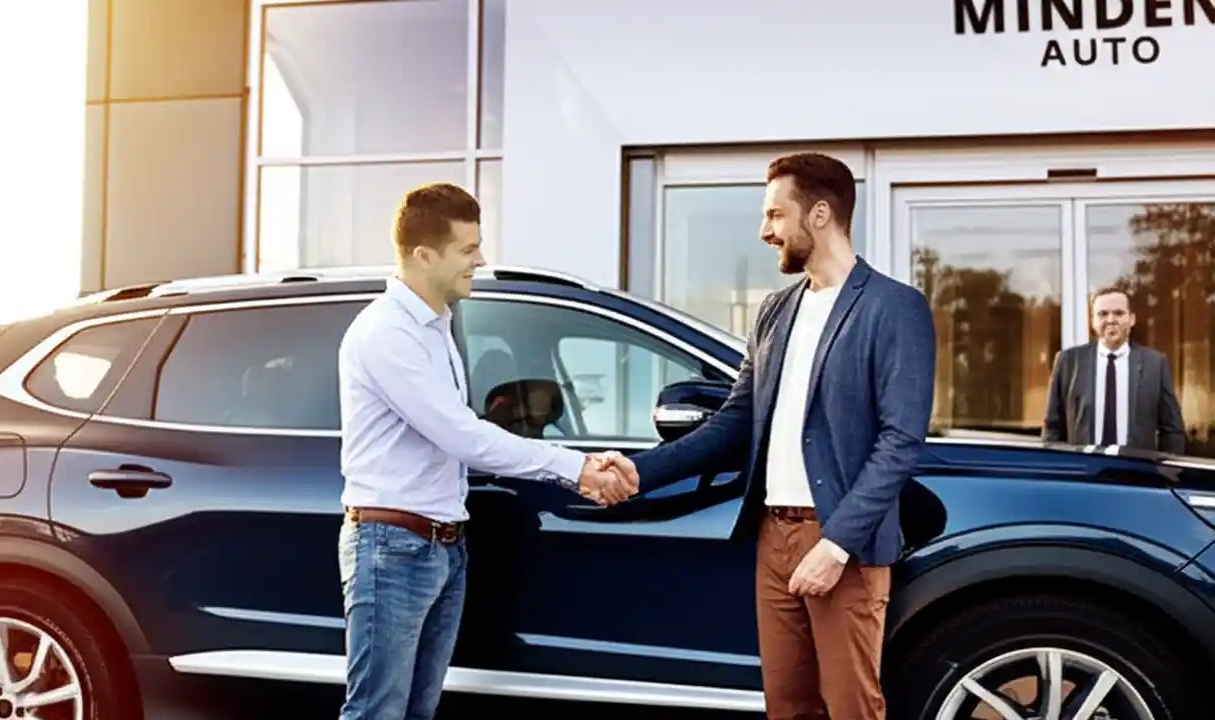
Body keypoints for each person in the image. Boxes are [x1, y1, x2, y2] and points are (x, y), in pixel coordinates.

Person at [599, 153, 935, 719]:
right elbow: (734, 421)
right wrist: (641, 471)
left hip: (842, 545)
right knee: (787, 708)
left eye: (776, 215)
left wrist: (837, 545)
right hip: (773, 538)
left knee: (852, 708)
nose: (765, 231)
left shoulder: (894, 307)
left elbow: (900, 441)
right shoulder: (775, 311)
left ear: (821, 214)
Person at [336, 182, 637, 720]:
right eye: (468, 250)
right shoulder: (386, 333)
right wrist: (576, 468)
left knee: (416, 712)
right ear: (424, 255)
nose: (481, 259)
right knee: (376, 713)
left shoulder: (437, 327)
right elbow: (461, 435)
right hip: (393, 547)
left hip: (440, 545)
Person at [1043, 286, 1186, 453]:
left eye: (1118, 313)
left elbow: (1172, 430)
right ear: (1092, 321)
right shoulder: (1068, 362)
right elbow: (1052, 429)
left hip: (1134, 473)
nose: (1111, 320)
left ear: (1131, 319)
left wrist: (1165, 474)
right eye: (1103, 314)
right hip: (1083, 473)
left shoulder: (1155, 364)